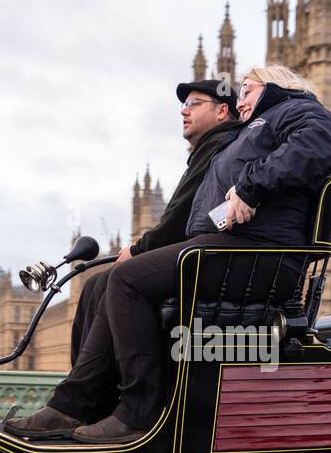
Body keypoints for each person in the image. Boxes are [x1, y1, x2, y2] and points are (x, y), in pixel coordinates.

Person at [7, 64, 331, 444]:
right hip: (236, 248)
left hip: (259, 258)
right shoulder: (256, 128)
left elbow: (318, 146)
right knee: (110, 281)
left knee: (126, 279)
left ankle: (138, 413)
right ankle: (76, 405)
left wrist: (249, 189)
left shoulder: (302, 112)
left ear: (278, 87)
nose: (241, 100)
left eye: (247, 91)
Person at [66, 79, 243, 366]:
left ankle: (102, 394)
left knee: (117, 280)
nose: (184, 112)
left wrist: (139, 250)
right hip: (197, 255)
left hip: (207, 262)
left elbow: (183, 217)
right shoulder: (211, 149)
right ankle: (81, 387)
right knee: (94, 285)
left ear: (222, 111)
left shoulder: (221, 149)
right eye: (184, 105)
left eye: (194, 104)